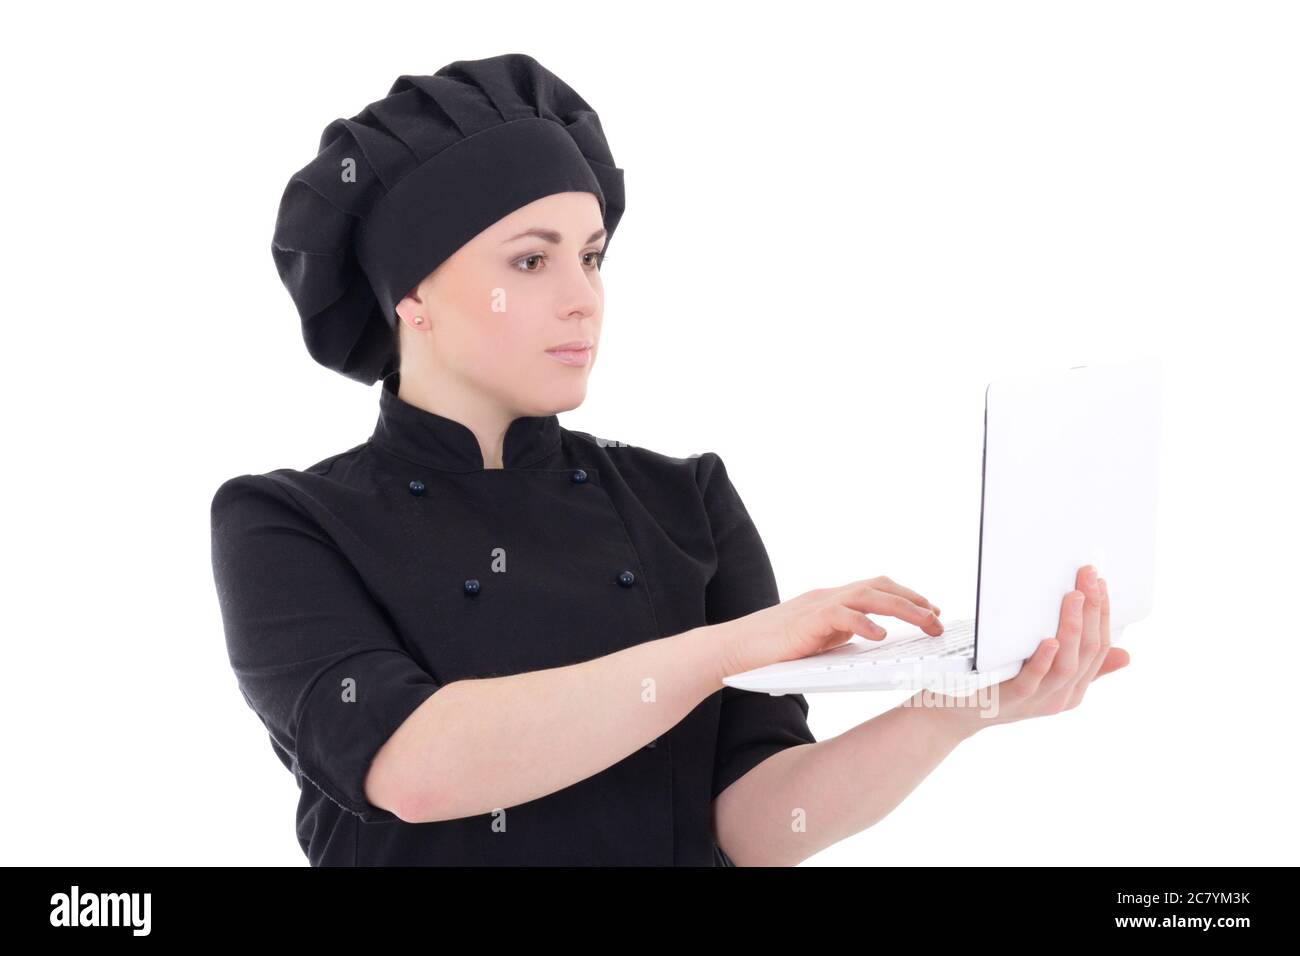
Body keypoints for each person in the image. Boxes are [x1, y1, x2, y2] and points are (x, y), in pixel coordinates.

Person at [210, 53, 1130, 867]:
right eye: (531, 263)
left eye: (594, 256)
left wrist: (960, 705)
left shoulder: (685, 500)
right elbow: (418, 769)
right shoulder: (285, 523)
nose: (584, 300)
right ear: (412, 295)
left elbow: (757, 825)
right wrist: (725, 650)